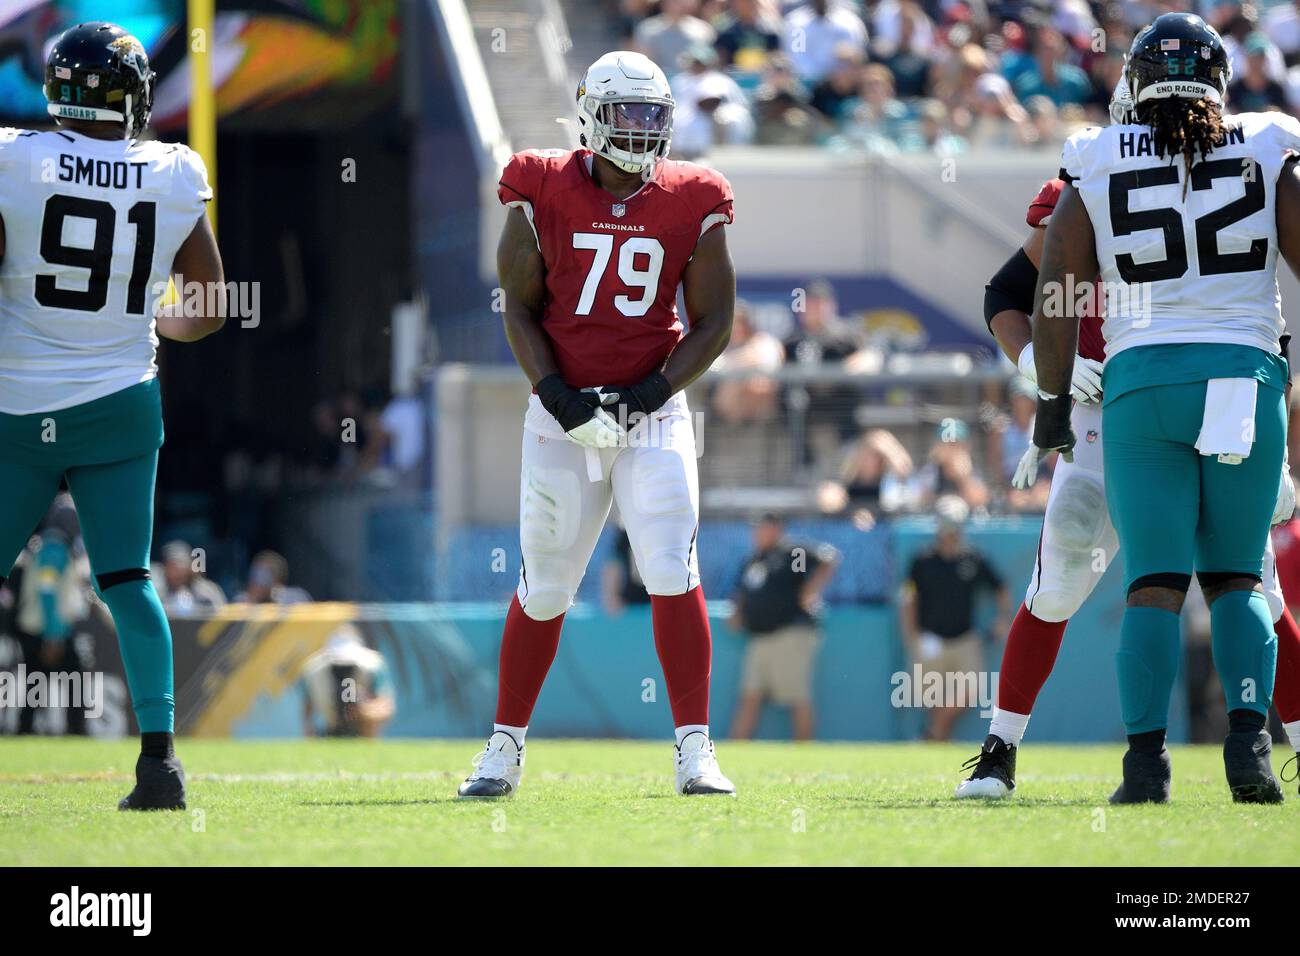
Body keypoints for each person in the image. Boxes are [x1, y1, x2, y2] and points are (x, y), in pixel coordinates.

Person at [961, 80, 1300, 799]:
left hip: (1140, 396)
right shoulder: (1090, 186)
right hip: (1121, 405)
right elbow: (1007, 294)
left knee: (1245, 588)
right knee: (1064, 581)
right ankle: (999, 750)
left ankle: (1158, 763)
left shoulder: (1101, 168)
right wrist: (1041, 372)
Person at [457, 50, 737, 799]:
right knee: (546, 583)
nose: (643, 131)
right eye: (628, 114)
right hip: (561, 416)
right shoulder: (539, 181)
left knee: (673, 564)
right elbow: (516, 304)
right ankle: (504, 748)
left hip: (653, 409)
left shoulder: (695, 194)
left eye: (654, 115)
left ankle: (695, 750)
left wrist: (648, 393)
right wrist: (557, 395)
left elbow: (715, 323)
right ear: (590, 117)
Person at [0, 23, 225, 810]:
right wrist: (156, 323)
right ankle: (160, 767)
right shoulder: (171, 172)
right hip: (121, 402)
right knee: (128, 583)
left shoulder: (13, 158)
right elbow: (206, 306)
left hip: (17, 403)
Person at [899, 496, 1009, 742]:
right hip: (931, 638)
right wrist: (913, 635)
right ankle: (938, 742)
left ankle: (931, 735)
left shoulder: (974, 557)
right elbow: (908, 597)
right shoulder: (922, 559)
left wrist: (1003, 619)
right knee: (931, 696)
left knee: (970, 690)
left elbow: (1000, 587)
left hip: (965, 637)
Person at [729, 513, 838, 741]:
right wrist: (739, 612)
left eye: (764, 528)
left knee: (796, 696)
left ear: (777, 529)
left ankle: (802, 752)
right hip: (759, 637)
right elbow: (743, 591)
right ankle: (735, 750)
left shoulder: (791, 553)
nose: (758, 533)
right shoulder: (755, 560)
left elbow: (828, 559)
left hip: (790, 633)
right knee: (750, 695)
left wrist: (810, 591)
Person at [300, 625, 395, 738]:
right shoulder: (314, 670)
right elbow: (307, 707)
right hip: (331, 725)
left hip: (364, 729)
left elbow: (386, 707)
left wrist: (364, 710)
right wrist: (310, 731)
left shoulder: (372, 667)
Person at [153, 540, 226, 613]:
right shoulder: (158, 593)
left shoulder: (207, 591)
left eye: (182, 564)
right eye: (172, 565)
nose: (178, 571)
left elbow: (221, 615)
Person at [235, 550, 311, 605]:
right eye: (254, 574)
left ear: (277, 581)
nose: (256, 582)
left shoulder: (294, 598)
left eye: (263, 576)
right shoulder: (242, 602)